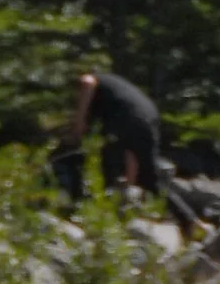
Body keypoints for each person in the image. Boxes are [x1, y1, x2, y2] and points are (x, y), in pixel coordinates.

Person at [58, 65, 165, 198]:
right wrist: (129, 181)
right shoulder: (115, 86)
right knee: (149, 173)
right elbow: (130, 150)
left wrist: (79, 122)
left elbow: (87, 82)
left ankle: (103, 196)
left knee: (109, 160)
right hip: (148, 115)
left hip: (125, 116)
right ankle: (186, 216)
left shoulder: (93, 79)